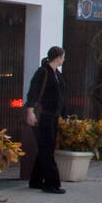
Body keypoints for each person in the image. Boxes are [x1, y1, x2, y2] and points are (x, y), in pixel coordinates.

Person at [24, 46, 67, 194]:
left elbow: (61, 96)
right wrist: (30, 111)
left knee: (46, 147)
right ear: (58, 57)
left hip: (53, 116)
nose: (64, 59)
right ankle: (51, 183)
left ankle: (35, 180)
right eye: (63, 57)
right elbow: (33, 92)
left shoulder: (57, 74)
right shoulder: (43, 72)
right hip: (43, 115)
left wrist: (64, 115)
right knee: (47, 148)